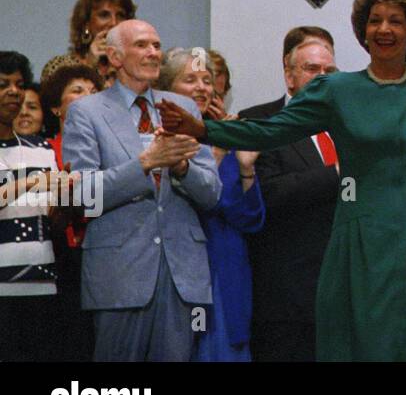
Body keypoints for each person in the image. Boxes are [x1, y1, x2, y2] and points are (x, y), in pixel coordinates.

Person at [161, 0, 406, 361]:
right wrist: (204, 130)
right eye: (375, 20)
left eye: (396, 20)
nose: (383, 28)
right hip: (358, 244)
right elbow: (269, 131)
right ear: (362, 31)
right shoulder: (338, 91)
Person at [62, 21, 222, 361]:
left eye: (156, 45)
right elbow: (83, 196)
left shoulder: (184, 108)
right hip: (119, 276)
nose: (153, 52)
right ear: (115, 57)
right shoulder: (86, 112)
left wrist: (181, 168)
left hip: (182, 275)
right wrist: (145, 164)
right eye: (141, 45)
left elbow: (212, 194)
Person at [159, 47, 264, 362]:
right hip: (181, 274)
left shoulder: (227, 136)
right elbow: (197, 200)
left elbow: (250, 219)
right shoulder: (159, 137)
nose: (202, 87)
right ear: (164, 90)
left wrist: (246, 169)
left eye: (207, 80)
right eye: (190, 79)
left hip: (226, 273)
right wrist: (215, 155)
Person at [243, 26, 340, 361]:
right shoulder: (259, 121)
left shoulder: (352, 124)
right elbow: (267, 194)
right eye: (313, 70)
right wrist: (338, 174)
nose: (323, 77)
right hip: (285, 299)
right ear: (289, 75)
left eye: (330, 71)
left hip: (345, 295)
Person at [0, 52, 74, 362]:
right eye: (3, 84)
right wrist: (31, 183)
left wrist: (69, 201)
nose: (14, 92)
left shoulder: (42, 148)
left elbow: (55, 223)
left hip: (41, 281)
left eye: (19, 84)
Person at [40, 62, 103, 361]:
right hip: (61, 260)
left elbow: (98, 202)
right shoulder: (45, 150)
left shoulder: (110, 149)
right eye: (77, 91)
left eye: (94, 91)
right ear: (55, 107)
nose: (89, 97)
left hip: (103, 254)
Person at [60, 0, 137, 84]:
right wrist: (90, 65)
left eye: (120, 15)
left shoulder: (135, 68)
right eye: (104, 15)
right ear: (86, 23)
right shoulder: (62, 67)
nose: (114, 23)